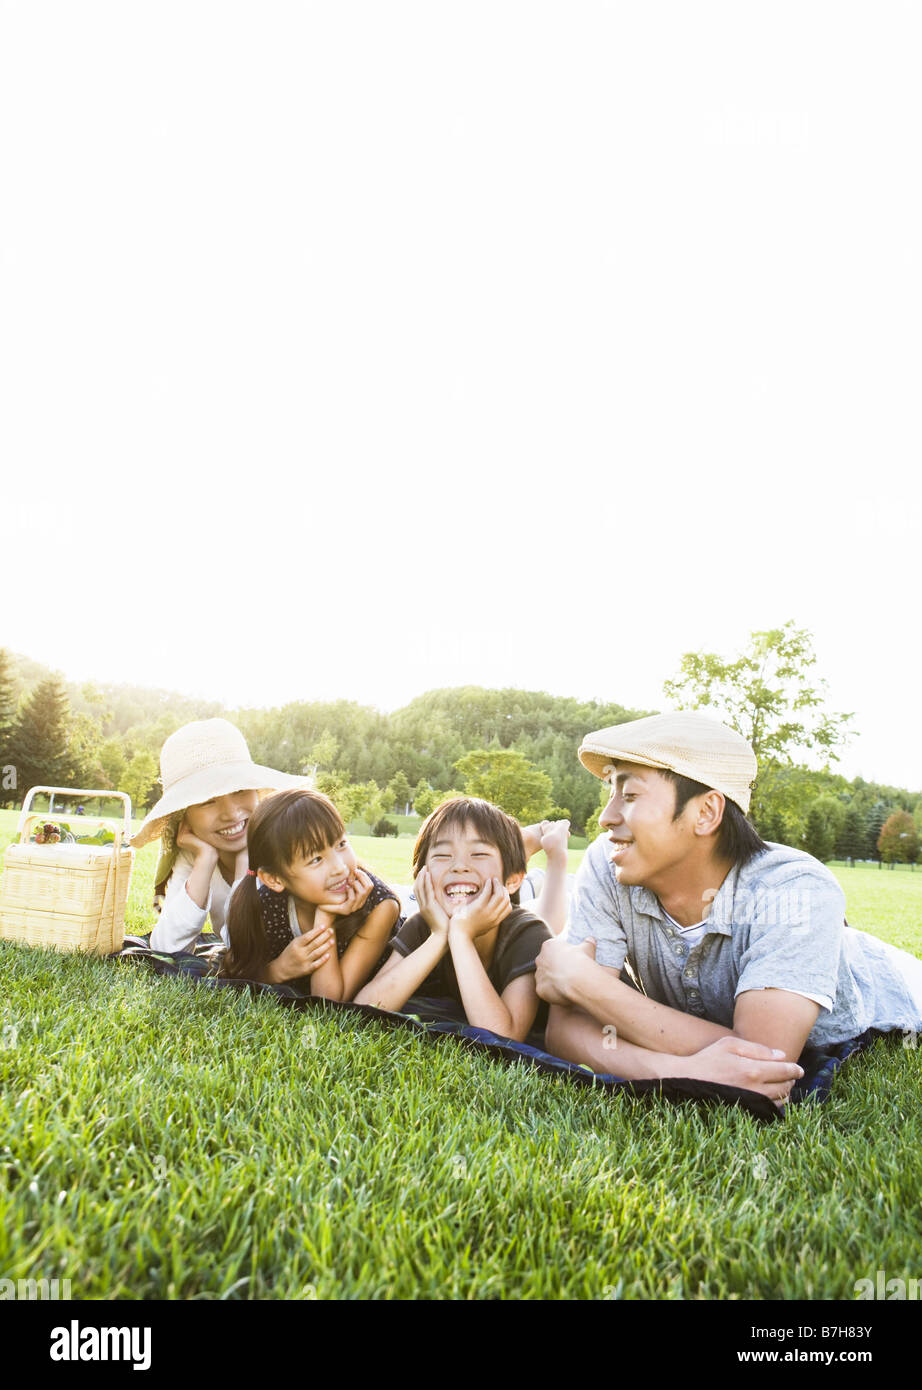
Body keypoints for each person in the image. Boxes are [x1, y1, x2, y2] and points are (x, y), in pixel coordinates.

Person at [535, 712, 922, 1107]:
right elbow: (565, 1028)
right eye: (610, 793)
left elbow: (762, 1059)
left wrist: (587, 986)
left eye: (630, 796)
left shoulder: (795, 888)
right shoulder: (609, 862)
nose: (606, 817)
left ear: (706, 813)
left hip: (887, 981)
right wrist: (683, 1073)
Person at [355, 797, 551, 1042]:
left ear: (512, 880)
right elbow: (365, 1009)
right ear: (421, 876)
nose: (459, 866)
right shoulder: (424, 924)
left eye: (478, 853)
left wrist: (460, 935)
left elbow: (503, 1037)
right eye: (443, 855)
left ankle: (546, 861)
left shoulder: (528, 933)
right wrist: (439, 936)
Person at [131, 718, 309, 954]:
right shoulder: (194, 854)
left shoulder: (286, 844)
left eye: (239, 791)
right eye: (208, 802)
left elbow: (248, 951)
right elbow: (166, 948)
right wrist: (205, 860)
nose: (231, 813)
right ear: (185, 816)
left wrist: (246, 860)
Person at [221, 788, 402, 997]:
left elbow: (329, 1001)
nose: (340, 868)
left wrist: (324, 918)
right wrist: (279, 970)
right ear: (274, 879)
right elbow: (238, 978)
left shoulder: (380, 906)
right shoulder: (266, 907)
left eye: (341, 844)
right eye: (316, 859)